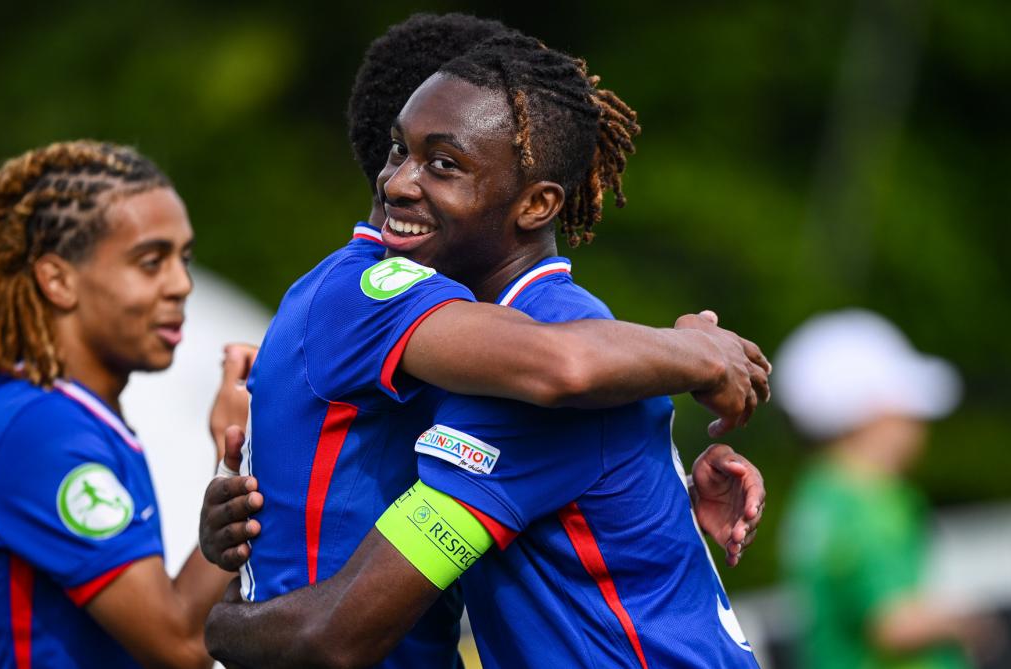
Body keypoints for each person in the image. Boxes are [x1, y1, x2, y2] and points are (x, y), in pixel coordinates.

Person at [203, 32, 765, 669]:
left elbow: (332, 637)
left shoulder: (540, 358)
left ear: (536, 203)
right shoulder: (493, 334)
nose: (402, 182)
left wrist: (219, 625)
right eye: (401, 150)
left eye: (444, 163)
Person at [0, 141, 242, 668]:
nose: (181, 284)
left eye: (183, 259)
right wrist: (251, 455)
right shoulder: (39, 434)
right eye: (150, 262)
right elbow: (181, 643)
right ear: (57, 280)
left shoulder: (54, 416)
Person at [775, 309, 1003, 669]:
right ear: (871, 412)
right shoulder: (871, 501)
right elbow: (892, 623)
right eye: (907, 407)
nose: (918, 423)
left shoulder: (816, 495)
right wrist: (964, 623)